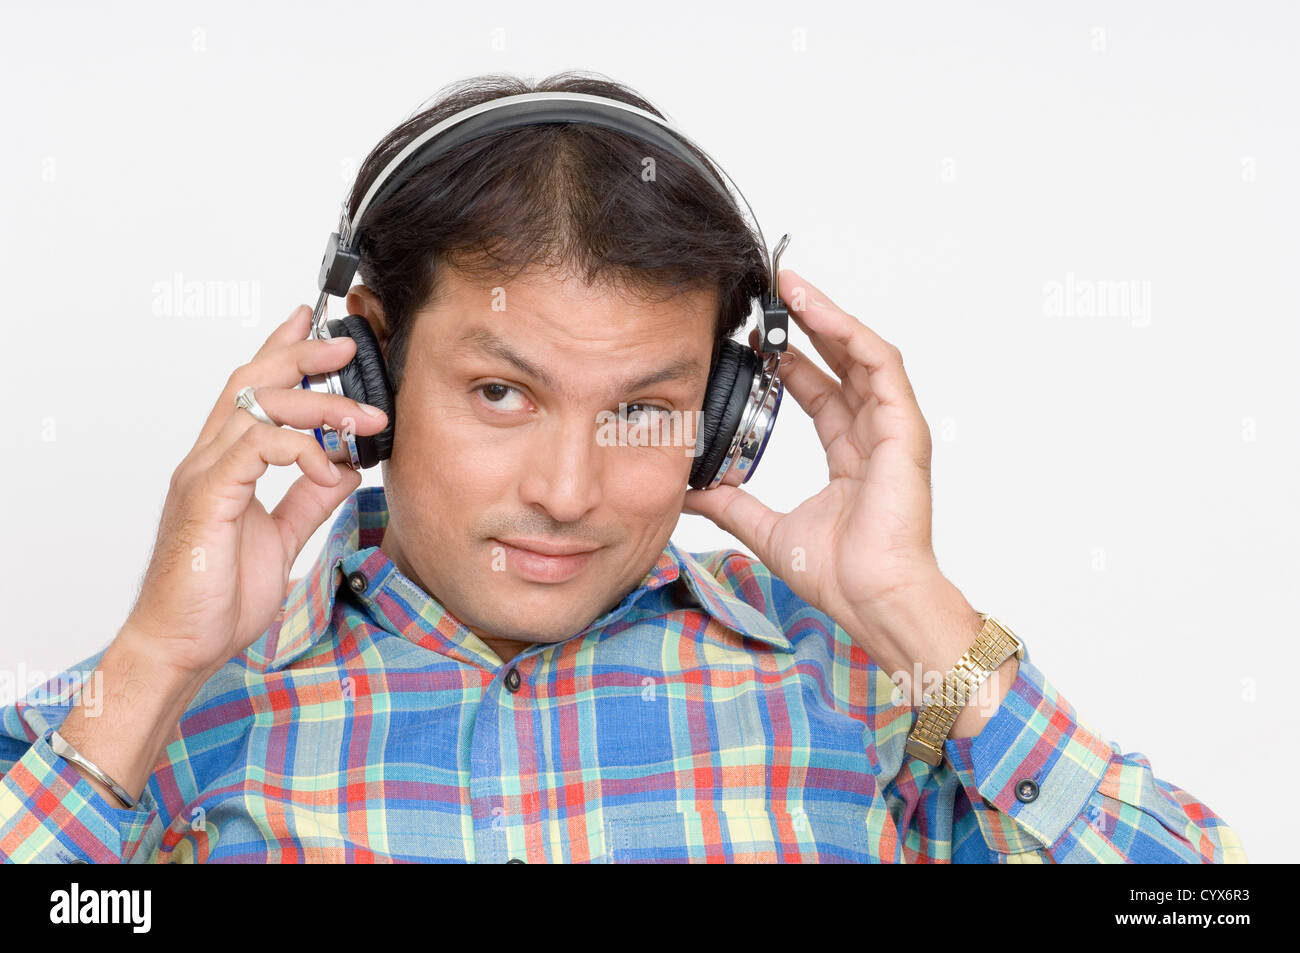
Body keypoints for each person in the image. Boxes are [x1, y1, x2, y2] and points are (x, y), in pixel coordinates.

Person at [0, 71, 1246, 863]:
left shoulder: (871, 693)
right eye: (501, 392)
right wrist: (153, 667)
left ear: (721, 413)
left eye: (645, 409)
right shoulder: (151, 716)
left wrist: (915, 611)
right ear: (363, 374)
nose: (567, 487)